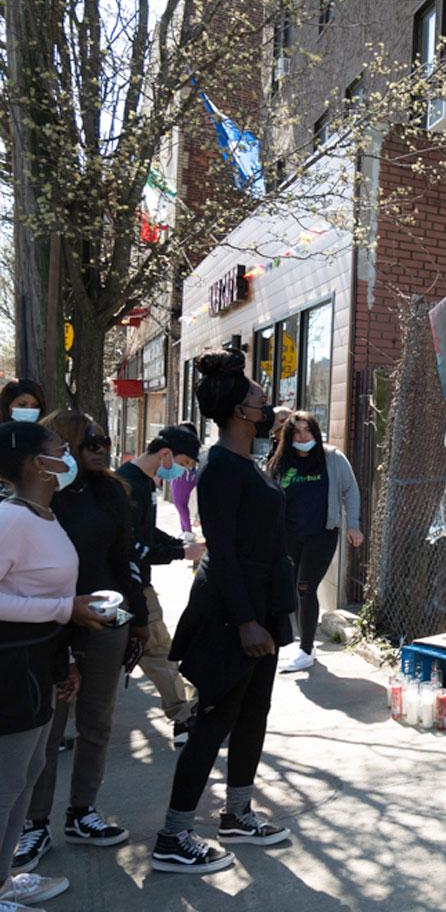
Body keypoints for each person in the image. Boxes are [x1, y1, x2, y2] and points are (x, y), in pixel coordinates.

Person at [153, 348, 293, 875]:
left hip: (264, 607)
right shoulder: (219, 468)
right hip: (236, 614)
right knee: (214, 721)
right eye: (258, 396)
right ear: (239, 410)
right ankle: (173, 834)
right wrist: (245, 621)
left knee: (253, 713)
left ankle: (236, 815)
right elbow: (225, 550)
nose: (265, 400)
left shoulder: (248, 461)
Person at [12, 412, 148, 876]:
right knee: (47, 732)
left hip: (106, 618)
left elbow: (126, 558)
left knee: (97, 721)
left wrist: (138, 622)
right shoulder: (32, 505)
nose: (97, 447)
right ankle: (33, 823)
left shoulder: (111, 490)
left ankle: (81, 813)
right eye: (83, 440)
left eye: (102, 439)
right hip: (51, 625)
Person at [0, 421, 111, 911]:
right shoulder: (11, 519)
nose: (68, 456)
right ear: (33, 464)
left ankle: (3, 880)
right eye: (58, 450)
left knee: (28, 773)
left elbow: (48, 594)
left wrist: (64, 658)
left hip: (39, 663)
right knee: (6, 783)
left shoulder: (43, 515)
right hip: (10, 669)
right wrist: (67, 611)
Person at [115, 427, 208, 746]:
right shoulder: (129, 485)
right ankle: (183, 717)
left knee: (135, 653)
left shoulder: (140, 481)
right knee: (156, 651)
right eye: (183, 462)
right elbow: (133, 545)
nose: (181, 470)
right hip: (131, 588)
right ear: (165, 454)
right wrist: (180, 552)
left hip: (127, 587)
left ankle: (55, 725)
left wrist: (179, 543)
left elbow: (145, 531)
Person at [267, 411, 363, 673]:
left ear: (316, 431)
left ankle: (306, 650)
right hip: (289, 535)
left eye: (307, 430)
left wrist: (353, 524)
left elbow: (350, 490)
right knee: (296, 589)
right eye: (296, 432)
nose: (302, 436)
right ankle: (305, 645)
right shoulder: (281, 461)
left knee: (305, 588)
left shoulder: (332, 458)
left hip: (321, 534)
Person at [169, 422, 200, 538]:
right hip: (186, 474)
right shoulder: (193, 447)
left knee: (180, 503)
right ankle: (185, 530)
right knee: (181, 503)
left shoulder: (185, 448)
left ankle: (187, 531)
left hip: (184, 475)